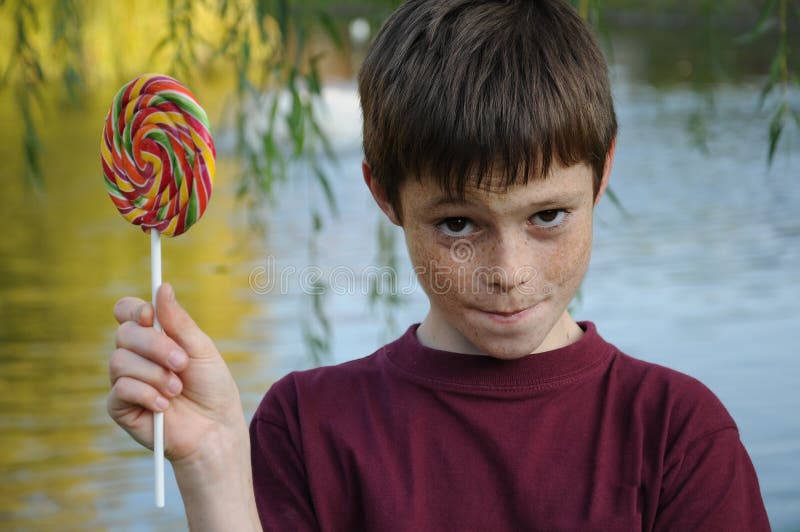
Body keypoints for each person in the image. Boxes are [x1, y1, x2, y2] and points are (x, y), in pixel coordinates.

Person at [107, 0, 771, 530]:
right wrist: (214, 463)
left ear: (602, 177)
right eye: (458, 224)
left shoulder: (679, 436)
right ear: (386, 196)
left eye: (547, 217)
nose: (508, 271)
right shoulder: (307, 428)